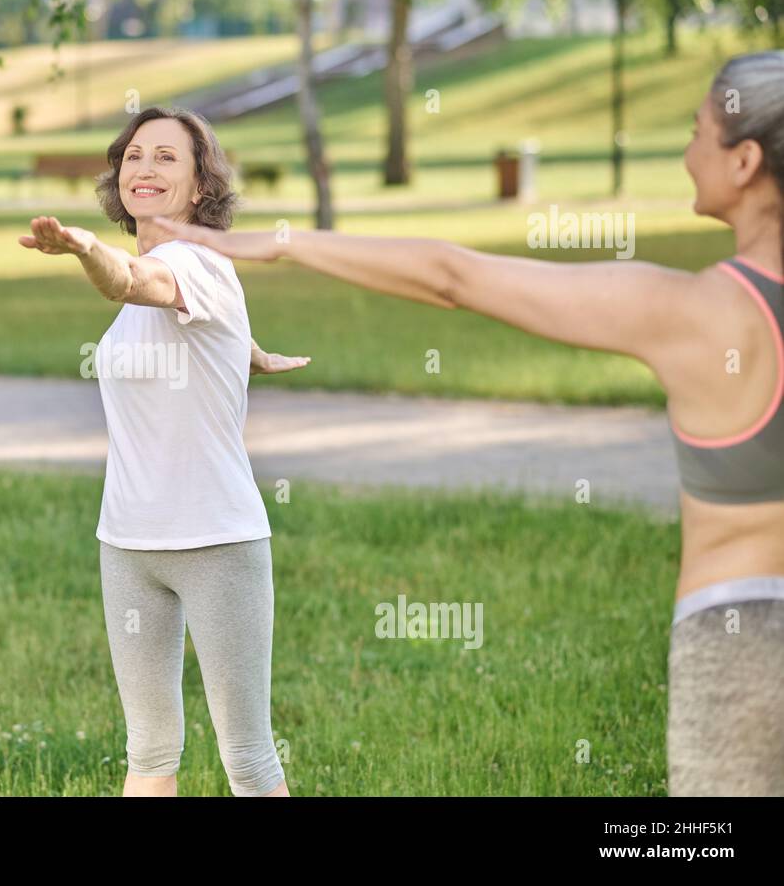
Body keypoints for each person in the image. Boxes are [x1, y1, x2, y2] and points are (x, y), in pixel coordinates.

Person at [152, 53, 784, 796]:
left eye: (697, 132)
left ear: (743, 161)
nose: (686, 151)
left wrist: (275, 243)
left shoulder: (701, 316)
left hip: (740, 649)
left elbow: (454, 276)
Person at [19, 106, 307, 796]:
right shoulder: (174, 276)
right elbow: (171, 328)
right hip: (128, 543)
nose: (144, 168)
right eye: (134, 155)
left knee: (248, 757)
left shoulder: (196, 264)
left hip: (216, 541)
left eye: (167, 158)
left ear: (202, 187)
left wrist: (88, 252)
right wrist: (248, 352)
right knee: (148, 754)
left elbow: (136, 282)